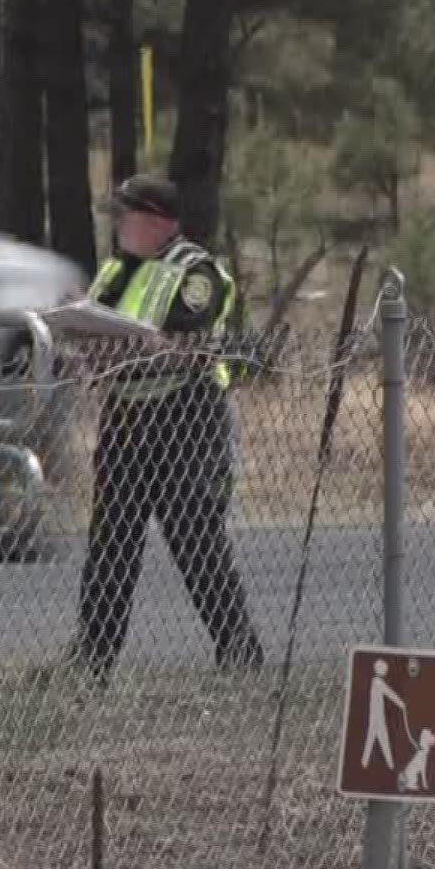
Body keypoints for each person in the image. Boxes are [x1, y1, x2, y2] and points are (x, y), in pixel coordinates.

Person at [57, 174, 264, 683]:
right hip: (125, 417)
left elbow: (178, 342)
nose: (118, 225)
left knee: (195, 540)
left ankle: (239, 652)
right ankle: (93, 658)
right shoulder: (115, 273)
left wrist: (124, 349)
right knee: (111, 543)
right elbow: (104, 337)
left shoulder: (197, 272)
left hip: (184, 416)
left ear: (156, 222)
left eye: (126, 216)